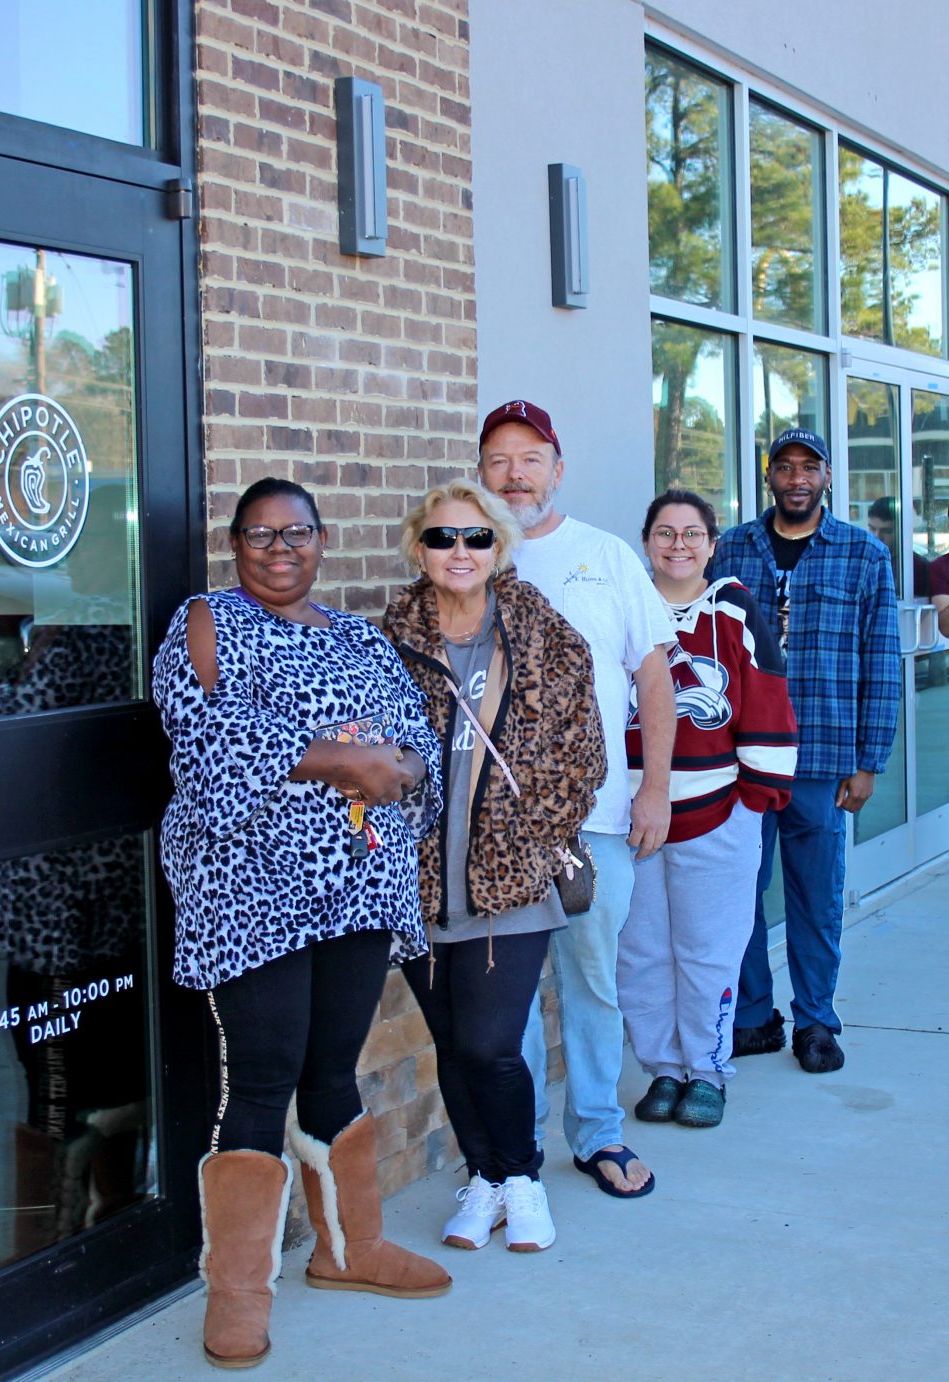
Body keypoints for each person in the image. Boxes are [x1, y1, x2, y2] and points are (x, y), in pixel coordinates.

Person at [152, 477, 450, 1369]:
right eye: (260, 534)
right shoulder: (204, 625)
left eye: (297, 533)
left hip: (357, 887)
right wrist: (345, 756)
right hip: (253, 894)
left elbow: (418, 747)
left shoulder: (359, 637)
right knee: (263, 1074)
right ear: (234, 543)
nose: (280, 548)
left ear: (323, 541)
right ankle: (238, 1290)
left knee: (331, 1065)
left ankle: (349, 1250)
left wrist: (375, 764)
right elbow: (207, 751)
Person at [384, 480, 605, 1253]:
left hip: (510, 879)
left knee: (489, 1044)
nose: (460, 553)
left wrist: (534, 830)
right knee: (452, 1045)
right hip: (418, 880)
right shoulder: (392, 634)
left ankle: (523, 1179)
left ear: (498, 549)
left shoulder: (539, 630)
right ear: (420, 549)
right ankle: (483, 1178)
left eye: (477, 538)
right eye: (443, 538)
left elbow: (584, 747)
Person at [476, 399, 675, 1199]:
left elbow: (653, 679)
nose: (515, 473)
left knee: (592, 982)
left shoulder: (606, 557)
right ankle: (514, 1144)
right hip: (496, 829)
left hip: (594, 821)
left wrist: (652, 789)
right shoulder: (468, 557)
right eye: (499, 459)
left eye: (531, 457)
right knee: (510, 995)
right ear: (479, 473)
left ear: (558, 469)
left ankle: (597, 1133)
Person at [710, 429, 900, 1072]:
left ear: (826, 477)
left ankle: (816, 1020)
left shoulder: (864, 554)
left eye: (808, 468)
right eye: (784, 467)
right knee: (740, 894)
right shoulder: (731, 548)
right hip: (742, 760)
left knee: (815, 899)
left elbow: (882, 663)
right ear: (769, 476)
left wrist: (870, 761)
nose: (796, 479)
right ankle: (754, 1017)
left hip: (821, 760)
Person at [619, 489, 798, 1129]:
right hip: (632, 817)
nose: (678, 545)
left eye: (692, 533)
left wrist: (754, 799)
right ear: (646, 542)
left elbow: (768, 702)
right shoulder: (621, 608)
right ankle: (663, 1068)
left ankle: (707, 1069)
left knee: (709, 950)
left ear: (712, 543)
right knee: (640, 952)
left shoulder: (735, 613)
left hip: (718, 809)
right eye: (664, 533)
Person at [866, 495, 932, 597]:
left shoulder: (917, 567)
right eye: (872, 529)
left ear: (901, 530)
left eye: (887, 531)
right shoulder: (860, 560)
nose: (877, 536)